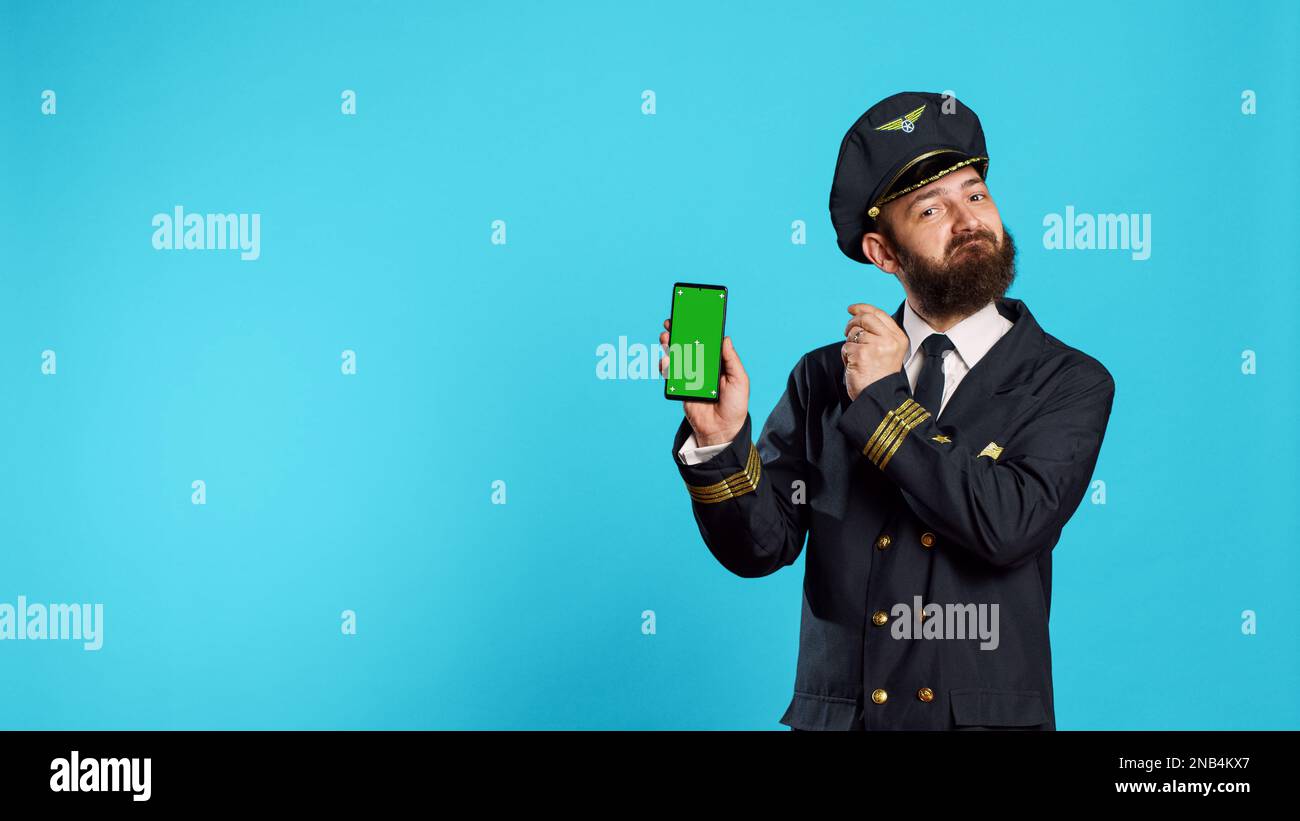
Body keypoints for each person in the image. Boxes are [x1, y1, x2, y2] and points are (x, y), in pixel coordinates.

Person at [659, 91, 1115, 730]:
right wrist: (719, 437)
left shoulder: (1068, 379)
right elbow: (761, 547)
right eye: (930, 208)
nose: (967, 220)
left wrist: (879, 403)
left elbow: (1008, 525)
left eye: (975, 194)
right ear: (883, 254)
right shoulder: (823, 376)